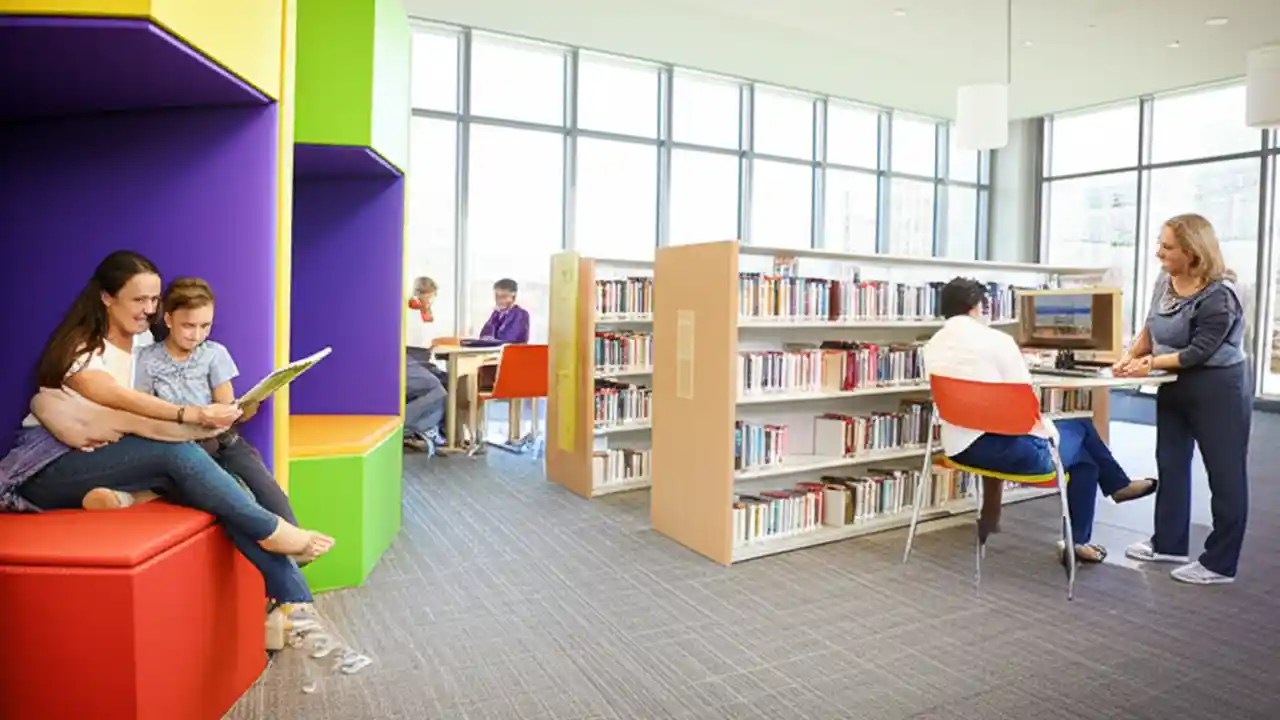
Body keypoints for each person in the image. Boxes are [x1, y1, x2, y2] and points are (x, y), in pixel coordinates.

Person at [5, 251, 333, 606]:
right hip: (52, 464)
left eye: (153, 299)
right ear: (106, 298)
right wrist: (190, 414)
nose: (148, 308)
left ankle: (297, 609)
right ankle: (273, 530)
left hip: (116, 453)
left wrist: (233, 408)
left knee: (223, 492)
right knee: (177, 455)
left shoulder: (150, 344)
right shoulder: (82, 349)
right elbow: (117, 397)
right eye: (138, 299)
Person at [923, 277, 1157, 563]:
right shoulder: (998, 341)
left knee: (1082, 449)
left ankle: (1108, 499)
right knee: (1082, 432)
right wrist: (1047, 431)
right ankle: (1099, 511)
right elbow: (1026, 406)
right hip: (1012, 454)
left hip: (959, 449)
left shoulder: (931, 345)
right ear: (978, 307)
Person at [132, 277, 321, 564]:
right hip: (181, 448)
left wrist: (243, 409)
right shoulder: (147, 359)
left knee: (265, 483)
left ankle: (298, 547)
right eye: (188, 325)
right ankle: (283, 560)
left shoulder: (214, 354)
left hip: (222, 439)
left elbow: (225, 406)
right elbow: (142, 409)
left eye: (205, 326)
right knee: (239, 496)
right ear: (168, 319)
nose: (196, 335)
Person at [1114, 213, 1249, 585]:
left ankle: (1220, 564)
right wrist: (1130, 355)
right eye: (1160, 243)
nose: (1158, 252)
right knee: (1171, 462)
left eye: (1167, 246)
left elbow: (1198, 352)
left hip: (1218, 385)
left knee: (1225, 474)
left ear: (1193, 252)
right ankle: (1169, 543)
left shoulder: (1221, 294)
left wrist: (1148, 364)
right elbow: (1150, 325)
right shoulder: (1165, 279)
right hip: (1173, 381)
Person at [404, 276, 447, 452]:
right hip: (407, 358)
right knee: (437, 388)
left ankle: (437, 429)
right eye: (429, 295)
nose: (430, 299)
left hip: (423, 358)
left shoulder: (427, 313)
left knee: (449, 381)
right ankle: (407, 425)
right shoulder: (407, 309)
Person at [478, 278, 530, 344]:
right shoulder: (496, 314)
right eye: (497, 296)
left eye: (504, 297)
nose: (499, 300)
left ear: (513, 296)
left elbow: (510, 339)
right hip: (496, 352)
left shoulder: (521, 314)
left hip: (512, 352)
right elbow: (483, 336)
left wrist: (491, 339)